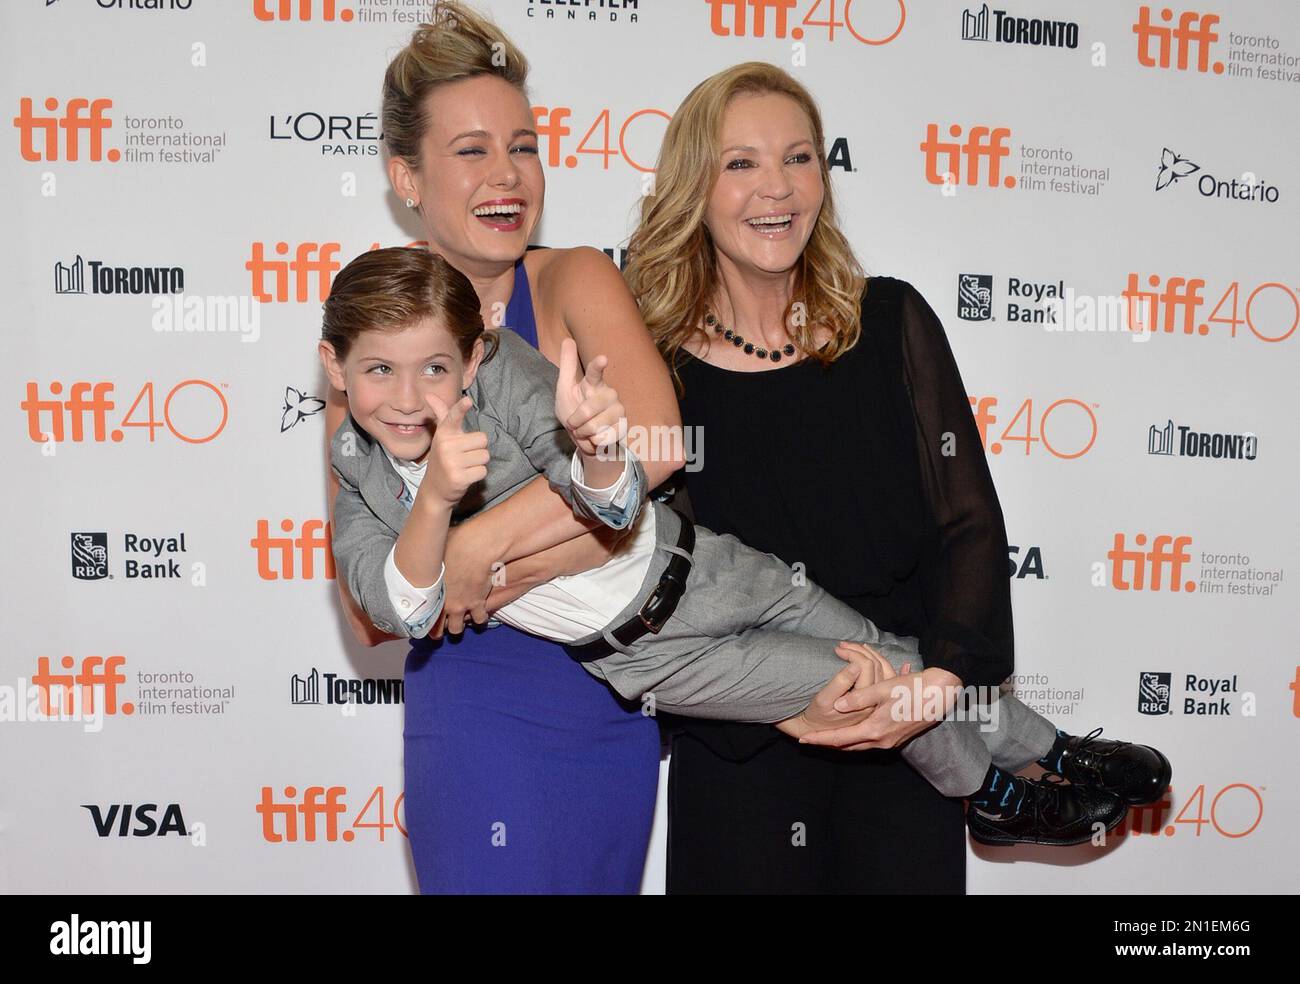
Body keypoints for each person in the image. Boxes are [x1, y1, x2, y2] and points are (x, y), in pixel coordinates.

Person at [321, 245, 1171, 850]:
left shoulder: (503, 370)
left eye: (433, 369)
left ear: (471, 357)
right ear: (334, 368)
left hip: (712, 565)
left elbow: (615, 503)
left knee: (892, 650)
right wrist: (435, 501)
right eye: (379, 372)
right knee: (876, 683)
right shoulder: (355, 472)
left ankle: (1053, 752)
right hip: (653, 661)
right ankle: (993, 793)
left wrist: (595, 446)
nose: (409, 400)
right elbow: (401, 606)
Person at [622, 62, 1169, 890]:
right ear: (693, 185)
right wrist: (800, 705)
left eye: (799, 158)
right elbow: (673, 584)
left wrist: (938, 685)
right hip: (747, 752)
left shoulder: (888, 321)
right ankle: (1042, 755)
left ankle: (1018, 760)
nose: (777, 188)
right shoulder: (652, 367)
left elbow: (968, 523)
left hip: (910, 746)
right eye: (741, 163)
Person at [322, 2, 677, 893]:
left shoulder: (573, 278)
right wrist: (560, 530)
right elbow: (374, 601)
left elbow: (659, 445)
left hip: (609, 698)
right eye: (471, 150)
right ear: (407, 177)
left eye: (523, 145)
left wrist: (476, 547)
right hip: (477, 708)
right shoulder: (372, 332)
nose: (507, 174)